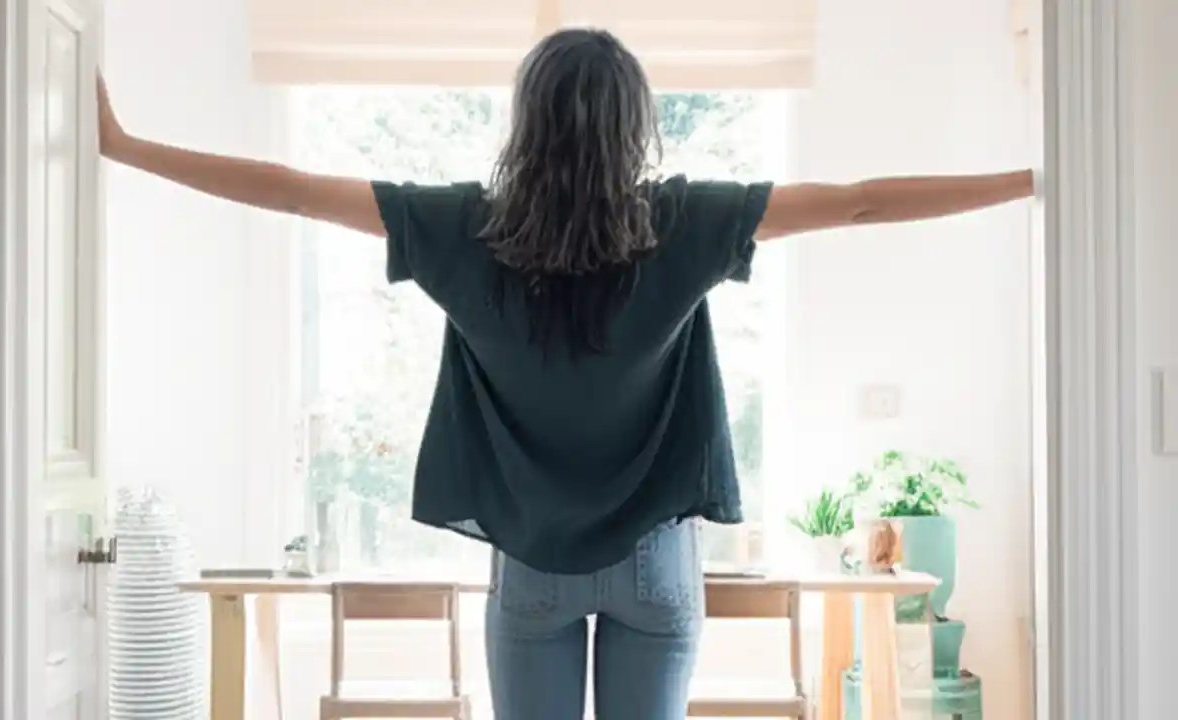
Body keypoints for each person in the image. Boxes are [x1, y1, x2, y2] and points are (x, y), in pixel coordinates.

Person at [97, 28, 1034, 720]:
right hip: (655, 568)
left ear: (526, 124)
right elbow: (863, 205)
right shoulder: (681, 222)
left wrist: (129, 147)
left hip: (534, 568)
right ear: (636, 127)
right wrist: (1030, 179)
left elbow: (294, 188)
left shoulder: (464, 227)